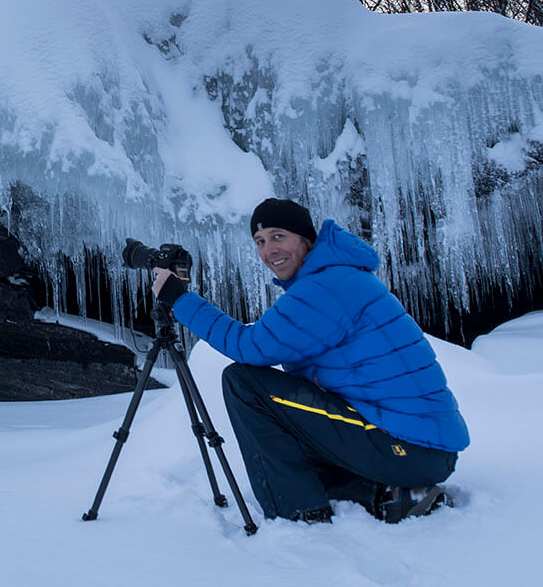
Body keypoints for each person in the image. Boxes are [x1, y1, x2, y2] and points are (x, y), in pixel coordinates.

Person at [150, 197, 468, 525]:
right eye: (260, 241)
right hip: (421, 449)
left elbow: (249, 346)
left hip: (409, 448)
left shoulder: (327, 287)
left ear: (306, 239)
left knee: (243, 382)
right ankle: (389, 496)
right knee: (293, 441)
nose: (269, 250)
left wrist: (181, 300)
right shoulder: (336, 278)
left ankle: (297, 509)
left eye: (278, 236)